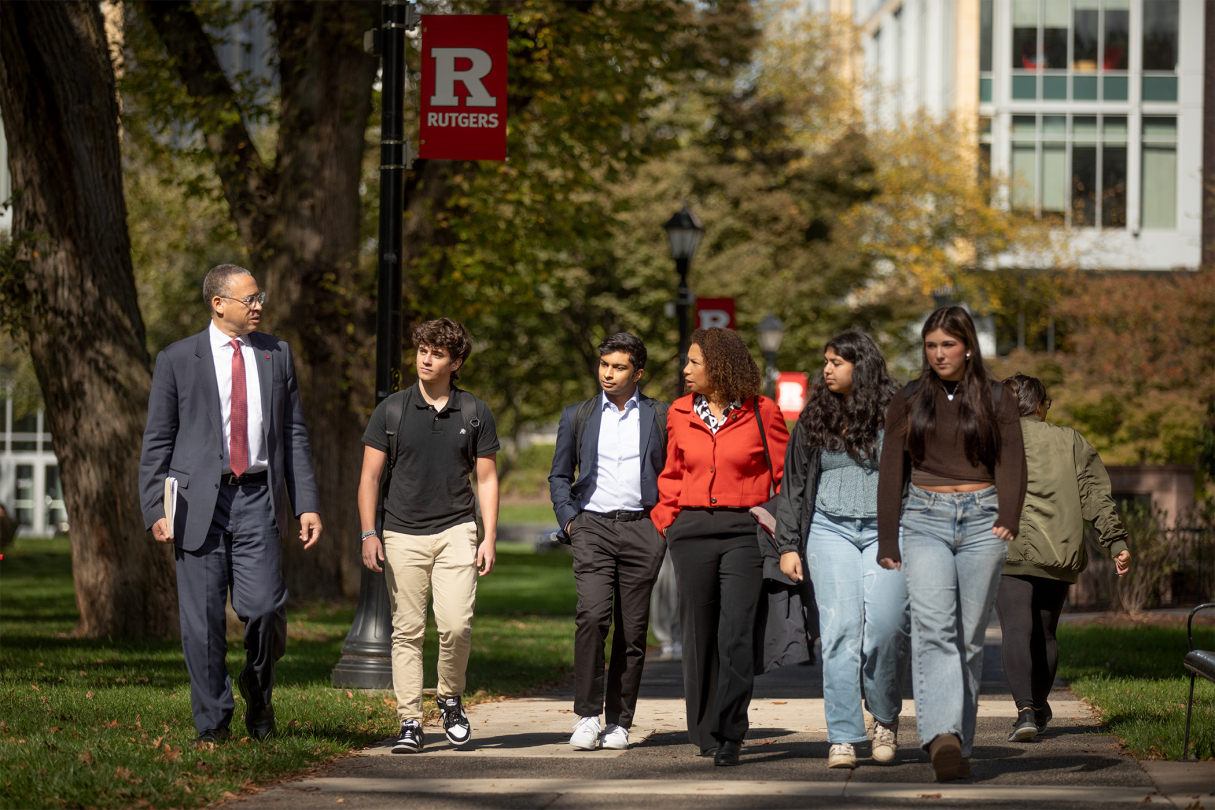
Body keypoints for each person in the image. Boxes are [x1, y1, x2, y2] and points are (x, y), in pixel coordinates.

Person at [139, 264, 323, 745]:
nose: (258, 305)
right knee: (201, 624)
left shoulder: (277, 354)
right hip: (196, 504)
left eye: (260, 297)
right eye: (249, 298)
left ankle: (258, 693)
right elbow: (157, 441)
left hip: (258, 498)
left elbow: (294, 433)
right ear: (218, 304)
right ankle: (213, 723)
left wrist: (306, 502)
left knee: (264, 608)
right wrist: (154, 509)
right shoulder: (178, 358)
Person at [876, 306, 1026, 782]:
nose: (939, 354)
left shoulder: (997, 397)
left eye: (948, 344)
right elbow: (891, 468)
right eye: (930, 345)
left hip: (983, 520)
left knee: (968, 638)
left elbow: (1011, 460)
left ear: (967, 347)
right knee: (934, 629)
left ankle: (958, 743)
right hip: (924, 518)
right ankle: (941, 734)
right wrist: (888, 535)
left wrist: (1008, 513)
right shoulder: (909, 397)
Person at [358, 318, 500, 755]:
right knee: (408, 631)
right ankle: (410, 721)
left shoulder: (474, 412)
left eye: (437, 353)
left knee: (457, 624)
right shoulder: (392, 410)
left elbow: (488, 479)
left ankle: (450, 698)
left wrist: (488, 537)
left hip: (458, 529)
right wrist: (369, 532)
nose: (426, 358)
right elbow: (369, 477)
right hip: (401, 532)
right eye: (422, 349)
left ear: (456, 362)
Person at [651, 327, 790, 767]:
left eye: (693, 362)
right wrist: (666, 522)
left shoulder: (762, 411)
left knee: (736, 634)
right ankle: (703, 730)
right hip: (689, 531)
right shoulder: (678, 411)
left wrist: (780, 530)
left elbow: (784, 476)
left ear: (719, 366)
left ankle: (731, 732)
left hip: (742, 531)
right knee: (698, 636)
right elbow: (672, 471)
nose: (685, 369)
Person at [776, 332, 910, 770]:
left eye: (837, 362)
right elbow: (794, 481)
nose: (827, 369)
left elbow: (918, 473)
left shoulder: (898, 410)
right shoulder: (816, 413)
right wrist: (788, 544)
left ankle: (885, 718)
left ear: (862, 366)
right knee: (839, 633)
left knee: (886, 631)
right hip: (829, 530)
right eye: (826, 361)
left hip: (887, 532)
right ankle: (844, 736)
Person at [548, 333, 670, 750]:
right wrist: (570, 522)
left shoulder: (660, 416)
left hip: (643, 529)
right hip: (592, 528)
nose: (608, 373)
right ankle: (586, 716)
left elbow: (673, 473)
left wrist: (662, 525)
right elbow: (560, 474)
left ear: (638, 372)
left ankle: (619, 721)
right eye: (604, 365)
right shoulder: (577, 415)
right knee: (592, 617)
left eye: (618, 367)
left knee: (632, 631)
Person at [997, 373, 1131, 742]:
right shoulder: (1071, 440)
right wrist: (1116, 542)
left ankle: (1025, 712)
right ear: (1040, 405)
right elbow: (1094, 494)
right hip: (1059, 552)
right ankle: (1039, 707)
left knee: (1016, 630)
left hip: (1006, 548)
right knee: (1045, 633)